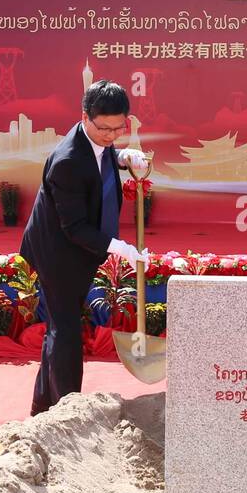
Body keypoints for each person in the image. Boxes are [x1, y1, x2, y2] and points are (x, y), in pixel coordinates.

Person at [21, 80, 150, 415]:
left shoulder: (99, 144)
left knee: (58, 327)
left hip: (78, 247)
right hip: (58, 252)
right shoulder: (67, 161)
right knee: (65, 331)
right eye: (103, 128)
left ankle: (42, 408)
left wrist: (122, 156)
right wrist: (120, 248)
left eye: (118, 128)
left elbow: (104, 154)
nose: (110, 135)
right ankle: (67, 411)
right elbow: (75, 227)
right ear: (84, 117)